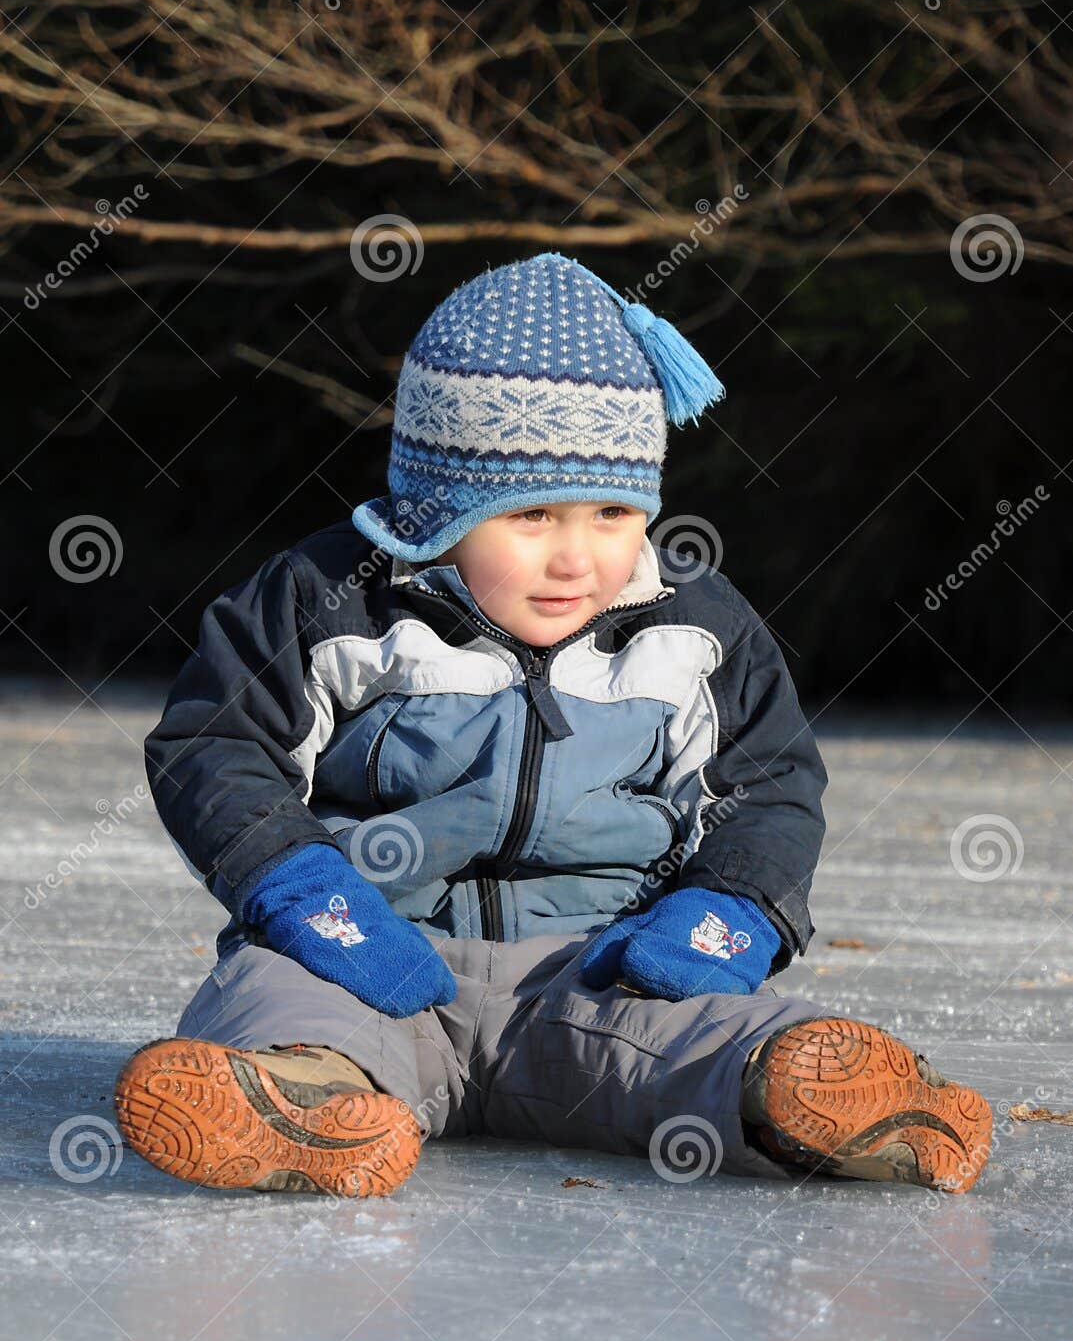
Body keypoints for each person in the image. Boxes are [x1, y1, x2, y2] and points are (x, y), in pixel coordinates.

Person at [114, 252, 992, 1200]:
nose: (578, 557)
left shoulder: (691, 628)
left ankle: (808, 1096)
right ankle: (302, 1103)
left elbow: (769, 789)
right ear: (441, 508)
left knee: (695, 1035)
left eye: (614, 512)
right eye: (529, 515)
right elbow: (218, 747)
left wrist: (726, 912)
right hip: (367, 952)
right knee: (280, 999)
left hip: (599, 967)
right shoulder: (328, 603)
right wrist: (305, 898)